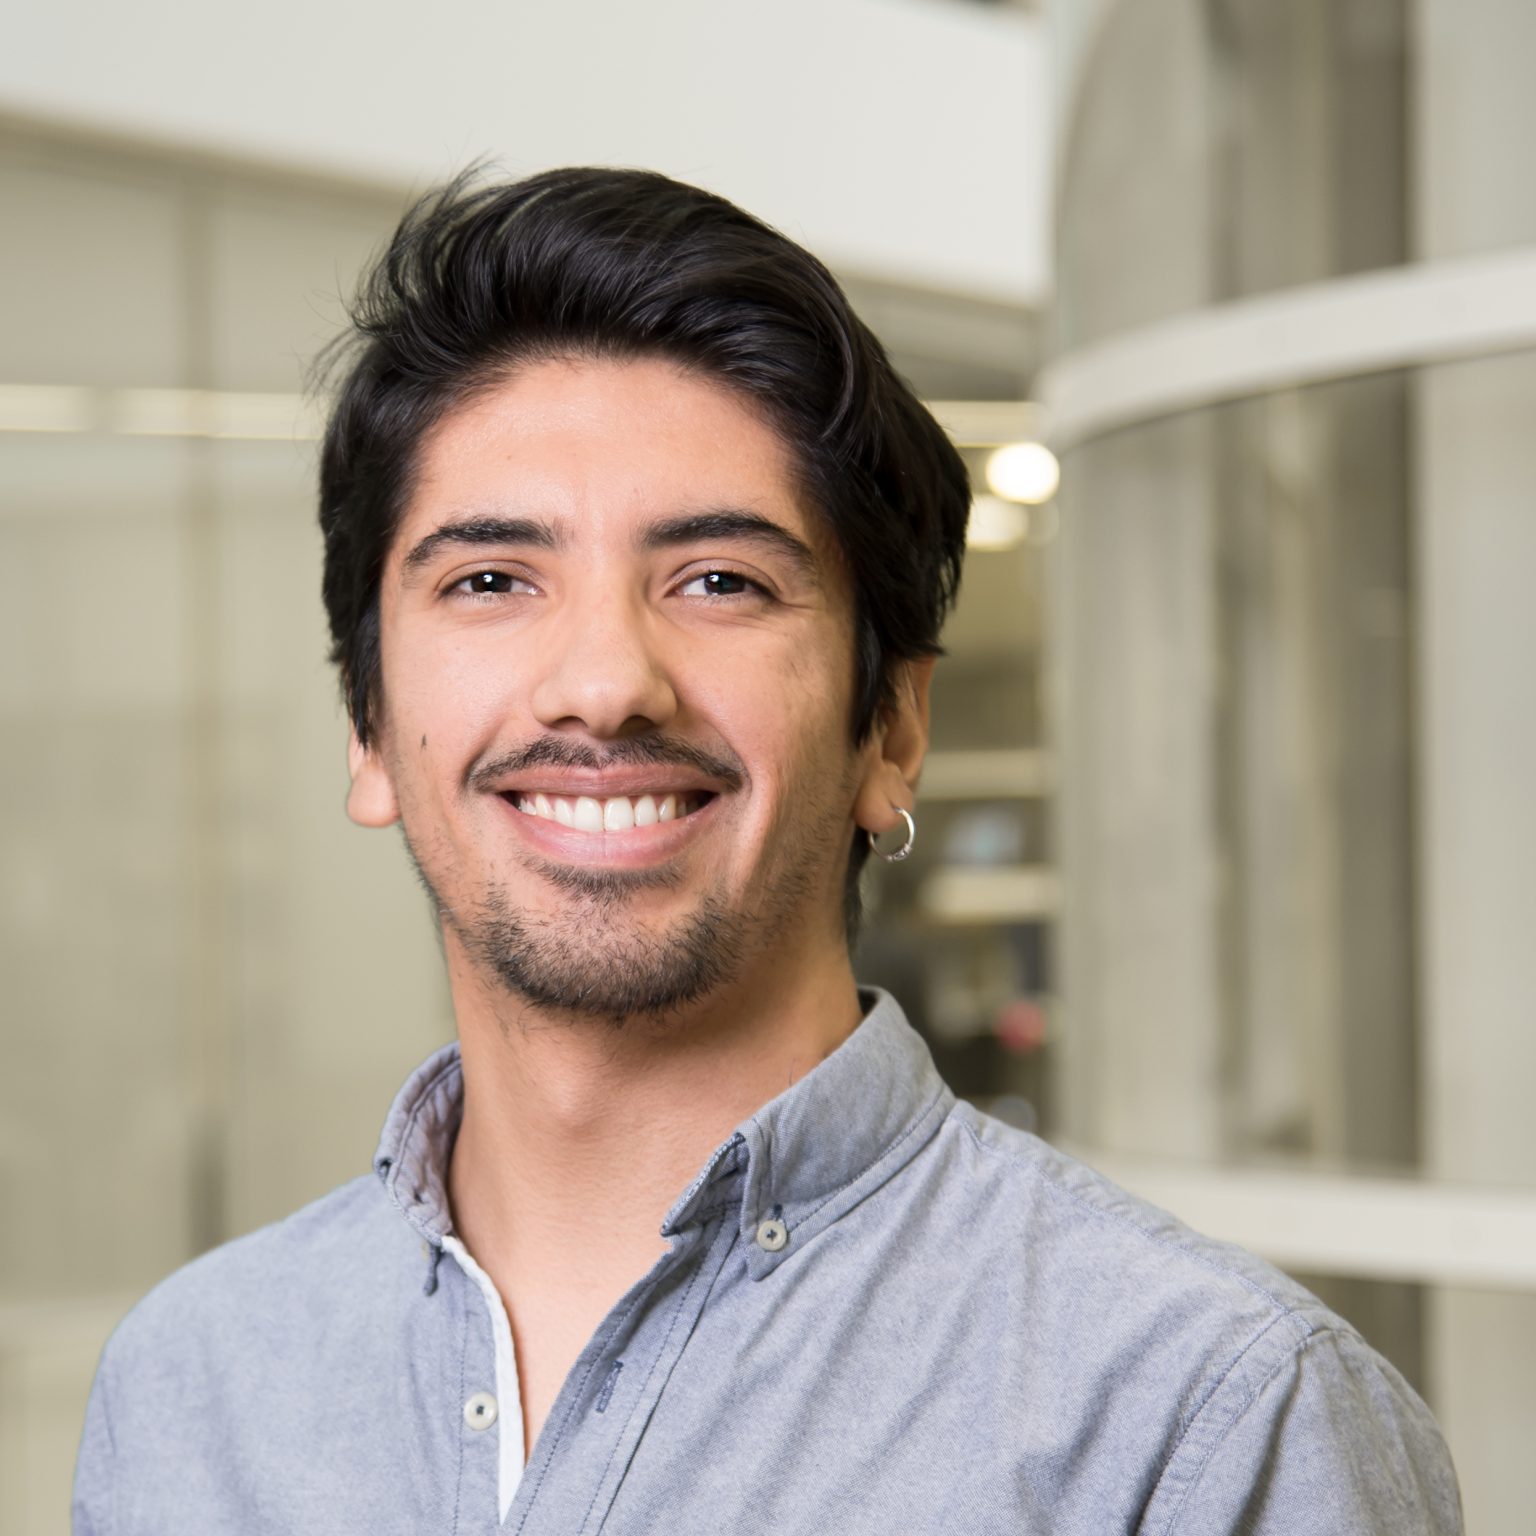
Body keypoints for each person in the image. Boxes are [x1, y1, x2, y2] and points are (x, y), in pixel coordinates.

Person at [72, 167, 1462, 1535]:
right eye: (492, 580)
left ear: (892, 729)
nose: (605, 681)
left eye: (720, 581)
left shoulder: (1199, 1421)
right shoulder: (195, 1385)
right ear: (368, 727)